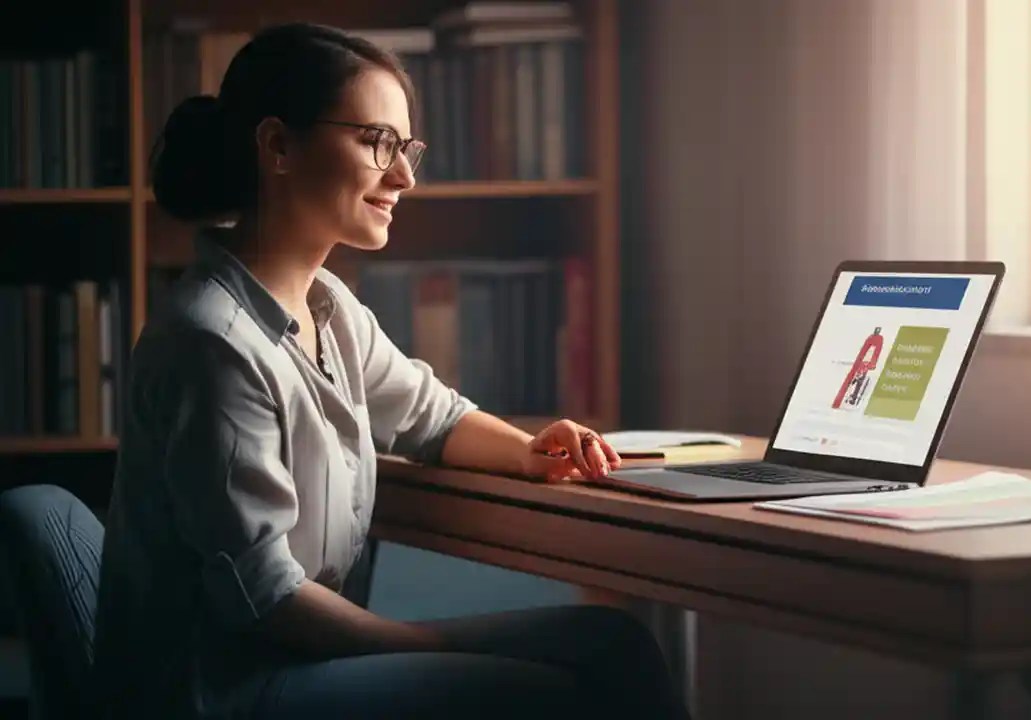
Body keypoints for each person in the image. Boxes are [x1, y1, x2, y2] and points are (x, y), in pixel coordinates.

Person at [92, 22, 689, 720]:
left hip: (296, 659)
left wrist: (529, 453)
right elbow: (263, 595)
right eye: (379, 143)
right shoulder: (212, 343)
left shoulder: (328, 305)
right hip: (226, 690)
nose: (404, 175)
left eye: (407, 148)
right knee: (567, 689)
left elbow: (429, 416)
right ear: (278, 145)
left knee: (613, 642)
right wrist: (419, 643)